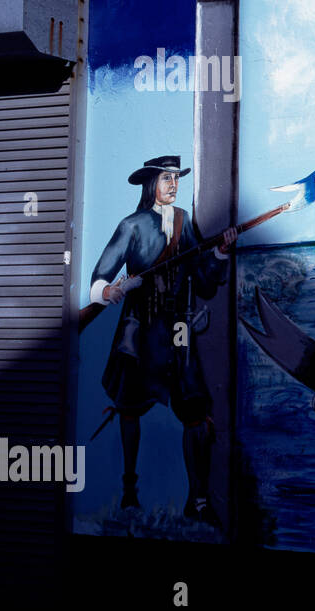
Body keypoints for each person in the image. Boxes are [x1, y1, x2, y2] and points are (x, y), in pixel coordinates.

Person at [89, 156, 237, 526]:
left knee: (196, 413)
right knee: (128, 410)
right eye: (166, 178)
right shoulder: (132, 226)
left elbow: (203, 281)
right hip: (139, 331)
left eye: (176, 178)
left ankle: (198, 500)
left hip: (177, 333)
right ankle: (128, 491)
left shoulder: (184, 223)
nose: (173, 184)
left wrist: (220, 252)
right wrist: (117, 288)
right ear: (151, 183)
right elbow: (97, 283)